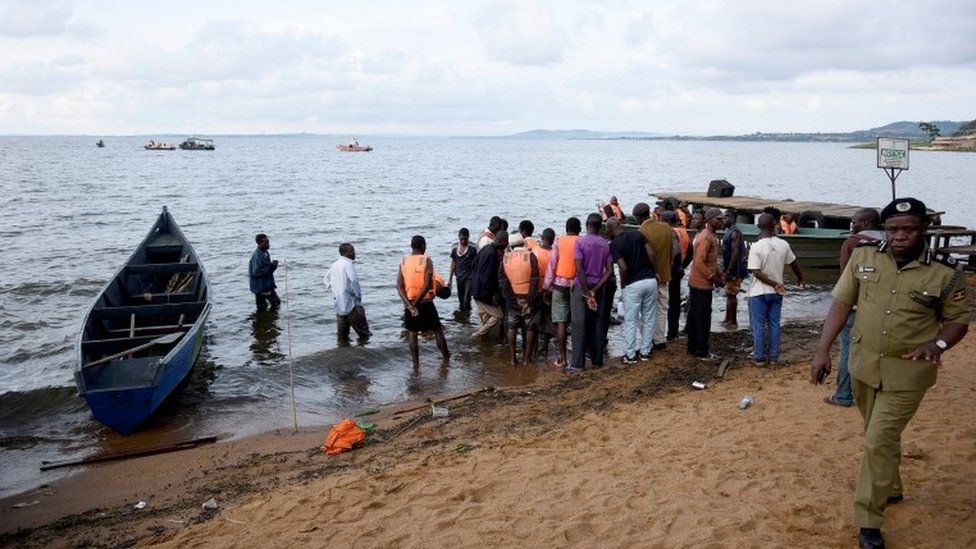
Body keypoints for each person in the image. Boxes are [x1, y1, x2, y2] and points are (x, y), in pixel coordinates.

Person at [810, 198, 969, 549]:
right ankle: (892, 487)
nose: (900, 236)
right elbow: (841, 303)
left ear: (924, 228)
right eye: (893, 229)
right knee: (875, 431)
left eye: (909, 229)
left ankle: (869, 520)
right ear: (884, 229)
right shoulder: (864, 257)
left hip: (909, 371)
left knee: (878, 437)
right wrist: (823, 350)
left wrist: (938, 346)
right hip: (864, 365)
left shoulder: (945, 271)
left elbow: (959, 320)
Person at [825, 208, 884, 407]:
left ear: (867, 223)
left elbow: (846, 280)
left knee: (848, 350)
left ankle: (843, 394)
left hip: (855, 306)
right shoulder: (890, 242)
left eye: (855, 221)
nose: (852, 225)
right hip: (880, 309)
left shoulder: (852, 243)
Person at [746, 214, 804, 364]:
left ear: (758, 227)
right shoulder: (783, 244)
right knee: (774, 324)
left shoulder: (756, 246)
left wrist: (772, 284)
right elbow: (794, 263)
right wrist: (800, 278)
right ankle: (773, 357)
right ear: (775, 225)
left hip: (759, 292)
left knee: (758, 325)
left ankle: (759, 357)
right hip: (777, 292)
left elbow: (755, 271)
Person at [568, 213, 613, 372]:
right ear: (600, 226)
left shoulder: (580, 242)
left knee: (579, 324)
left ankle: (577, 364)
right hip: (598, 288)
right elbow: (609, 271)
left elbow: (579, 269)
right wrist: (594, 290)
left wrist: (587, 293)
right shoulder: (605, 244)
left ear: (587, 224)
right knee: (598, 323)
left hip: (582, 287)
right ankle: (597, 361)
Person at [608, 216, 657, 363]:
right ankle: (645, 352)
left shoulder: (614, 244)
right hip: (650, 280)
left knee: (631, 320)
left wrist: (624, 284)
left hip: (633, 284)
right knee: (648, 318)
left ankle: (630, 354)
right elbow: (652, 254)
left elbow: (623, 268)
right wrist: (654, 272)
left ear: (611, 229)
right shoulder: (638, 234)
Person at [397, 235, 450, 367]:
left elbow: (398, 286)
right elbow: (426, 286)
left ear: (412, 246)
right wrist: (414, 305)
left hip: (409, 303)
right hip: (425, 303)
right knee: (437, 330)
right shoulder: (426, 260)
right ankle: (446, 357)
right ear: (423, 246)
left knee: (413, 334)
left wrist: (410, 306)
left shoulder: (404, 261)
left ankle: (416, 364)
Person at [544, 217, 581, 369]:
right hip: (576, 285)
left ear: (566, 229)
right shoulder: (582, 241)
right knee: (578, 321)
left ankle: (563, 358)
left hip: (559, 285)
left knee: (561, 322)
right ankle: (578, 356)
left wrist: (546, 286)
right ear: (579, 229)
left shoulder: (559, 241)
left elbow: (552, 265)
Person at [686, 208, 724, 358]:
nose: (722, 222)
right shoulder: (706, 237)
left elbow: (708, 261)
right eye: (718, 219)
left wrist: (719, 272)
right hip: (701, 284)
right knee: (702, 318)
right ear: (709, 220)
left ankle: (693, 347)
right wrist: (713, 278)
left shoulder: (708, 235)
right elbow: (699, 263)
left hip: (700, 283)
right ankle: (701, 351)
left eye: (722, 219)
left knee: (697, 316)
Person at [637, 202, 672, 351]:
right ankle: (659, 338)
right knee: (662, 308)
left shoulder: (641, 232)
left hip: (648, 277)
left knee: (646, 309)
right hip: (664, 274)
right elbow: (671, 253)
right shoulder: (666, 228)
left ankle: (648, 338)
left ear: (638, 217)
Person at [500, 242, 540, 365]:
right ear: (524, 244)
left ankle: (512, 359)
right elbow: (535, 279)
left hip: (513, 300)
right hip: (528, 299)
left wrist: (511, 299)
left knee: (512, 327)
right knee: (530, 328)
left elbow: (502, 282)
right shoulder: (531, 256)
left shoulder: (505, 258)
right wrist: (529, 301)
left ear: (511, 246)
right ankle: (527, 360)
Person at [325, 243, 371, 341]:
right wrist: (358, 295)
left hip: (339, 302)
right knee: (364, 333)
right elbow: (354, 281)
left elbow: (325, 279)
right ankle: (364, 352)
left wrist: (333, 290)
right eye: (352, 250)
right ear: (346, 253)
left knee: (342, 335)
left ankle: (344, 353)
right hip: (352, 302)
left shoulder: (335, 264)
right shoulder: (348, 265)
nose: (355, 253)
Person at [471, 232, 508, 339]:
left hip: (476, 289)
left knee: (485, 319)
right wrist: (495, 293)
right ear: (501, 241)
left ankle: (484, 343)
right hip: (484, 292)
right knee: (498, 316)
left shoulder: (486, 248)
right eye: (506, 242)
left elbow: (473, 265)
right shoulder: (492, 254)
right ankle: (478, 335)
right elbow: (487, 278)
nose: (506, 245)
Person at [663, 211, 693, 340]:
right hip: (679, 269)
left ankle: (671, 332)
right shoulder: (683, 231)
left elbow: (675, 252)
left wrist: (671, 269)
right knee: (675, 302)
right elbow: (691, 252)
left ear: (666, 222)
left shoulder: (671, 232)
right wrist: (683, 265)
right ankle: (673, 331)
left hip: (672, 271)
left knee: (669, 303)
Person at [721, 210, 748, 329]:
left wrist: (728, 270)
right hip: (729, 267)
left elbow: (735, 253)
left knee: (732, 294)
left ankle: (733, 322)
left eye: (727, 217)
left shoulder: (735, 233)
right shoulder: (728, 231)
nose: (724, 219)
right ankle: (727, 318)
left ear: (733, 218)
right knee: (728, 293)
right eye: (723, 217)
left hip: (735, 269)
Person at [534, 228, 556, 357]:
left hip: (537, 291)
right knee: (548, 319)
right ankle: (545, 347)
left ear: (542, 238)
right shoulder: (554, 254)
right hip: (550, 292)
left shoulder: (535, 252)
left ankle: (534, 346)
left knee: (535, 319)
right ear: (553, 240)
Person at [249, 233, 280, 311]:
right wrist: (271, 267)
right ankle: (266, 321)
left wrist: (273, 266)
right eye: (265, 242)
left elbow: (267, 269)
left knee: (266, 307)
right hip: (261, 287)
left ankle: (266, 321)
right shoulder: (257, 256)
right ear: (259, 243)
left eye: (268, 242)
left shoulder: (265, 252)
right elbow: (256, 272)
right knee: (273, 304)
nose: (268, 244)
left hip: (266, 285)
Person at [449, 228, 477, 313]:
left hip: (469, 277)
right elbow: (453, 262)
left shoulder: (473, 248)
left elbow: (477, 262)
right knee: (461, 300)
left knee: (466, 299)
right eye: (461, 239)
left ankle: (467, 318)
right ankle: (462, 320)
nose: (463, 241)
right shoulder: (454, 247)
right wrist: (450, 279)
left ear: (468, 237)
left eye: (465, 239)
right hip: (459, 277)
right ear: (459, 237)